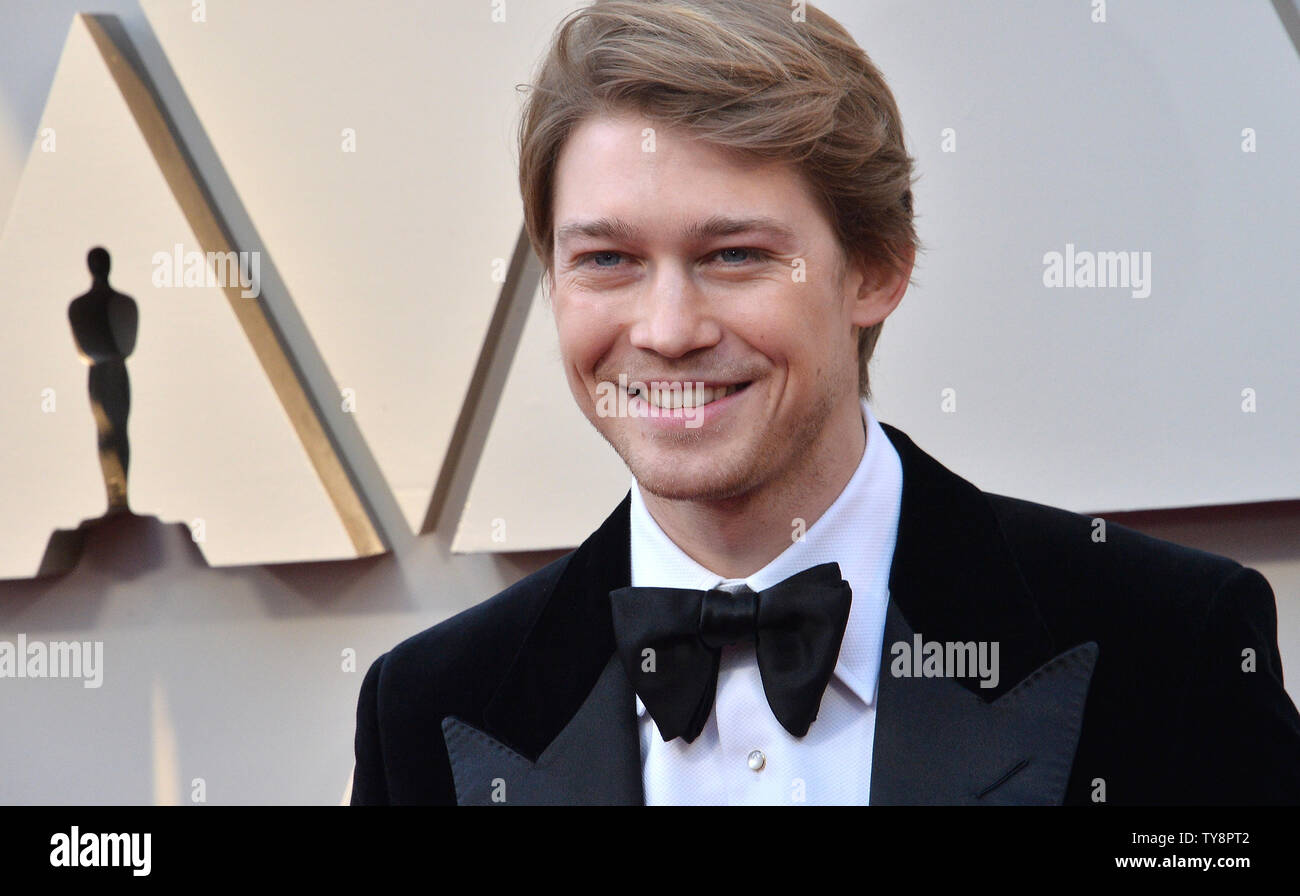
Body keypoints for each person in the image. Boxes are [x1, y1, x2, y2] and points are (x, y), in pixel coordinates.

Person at [350, 0, 1300, 805]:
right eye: (608, 260)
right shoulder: (429, 710)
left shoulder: (1167, 647)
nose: (668, 327)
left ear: (877, 270)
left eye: (735, 256)